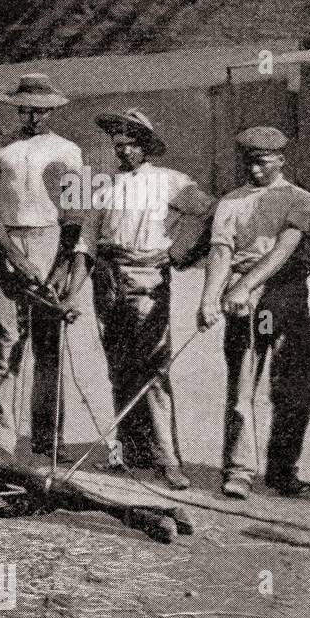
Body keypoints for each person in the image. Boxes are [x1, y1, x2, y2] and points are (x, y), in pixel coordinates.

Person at [79, 109, 215, 490]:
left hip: (149, 277)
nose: (123, 151)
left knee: (154, 369)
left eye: (131, 144)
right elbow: (86, 246)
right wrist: (73, 294)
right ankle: (129, 453)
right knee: (119, 368)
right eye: (118, 144)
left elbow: (216, 212)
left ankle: (168, 460)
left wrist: (185, 254)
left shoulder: (170, 182)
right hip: (107, 279)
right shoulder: (103, 188)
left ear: (145, 147)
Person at [199, 126, 310, 499]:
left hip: (284, 296)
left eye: (263, 163)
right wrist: (208, 299)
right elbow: (220, 253)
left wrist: (244, 285)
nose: (255, 171)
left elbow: (284, 249)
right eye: (250, 163)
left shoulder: (298, 198)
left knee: (295, 387)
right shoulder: (230, 202)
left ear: (282, 160)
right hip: (244, 302)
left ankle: (283, 471)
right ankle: (239, 470)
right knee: (243, 386)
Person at [0, 74, 86, 458]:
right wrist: (14, 257)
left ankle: (48, 442)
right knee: (5, 344)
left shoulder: (69, 151)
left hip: (50, 240)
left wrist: (59, 266)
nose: (33, 117)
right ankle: (0, 443)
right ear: (16, 109)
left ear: (51, 111)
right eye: (26, 110)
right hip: (6, 243)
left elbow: (74, 212)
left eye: (40, 110)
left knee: (48, 345)